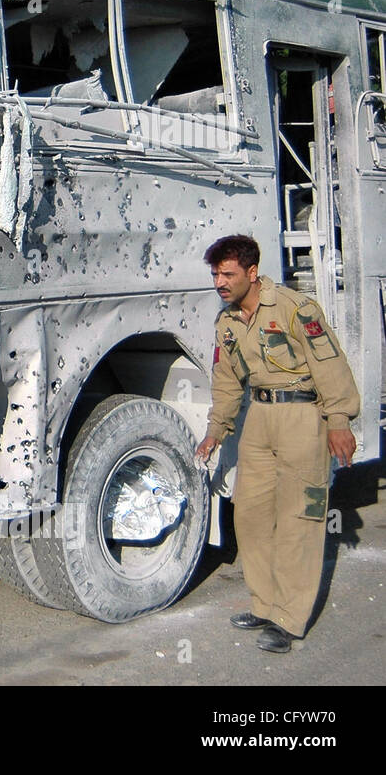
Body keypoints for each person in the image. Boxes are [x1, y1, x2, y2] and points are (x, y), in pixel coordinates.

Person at [194, 235, 359, 653]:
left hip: (303, 417)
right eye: (215, 274)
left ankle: (289, 618)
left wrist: (338, 420)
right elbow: (228, 380)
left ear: (252, 273)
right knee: (250, 516)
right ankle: (265, 604)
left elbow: (329, 364)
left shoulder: (294, 308)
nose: (220, 282)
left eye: (228, 274)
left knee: (297, 521)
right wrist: (216, 430)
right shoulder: (227, 321)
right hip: (259, 420)